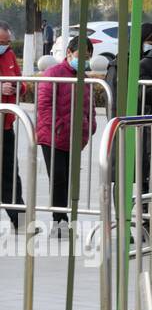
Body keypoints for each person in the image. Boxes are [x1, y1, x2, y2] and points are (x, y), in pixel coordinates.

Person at [36, 36, 96, 228]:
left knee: (67, 179)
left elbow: (90, 107)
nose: (85, 60)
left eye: (88, 57)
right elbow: (44, 105)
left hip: (75, 137)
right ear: (69, 52)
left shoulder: (84, 79)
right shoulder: (54, 73)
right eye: (81, 55)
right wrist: (60, 126)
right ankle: (59, 221)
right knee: (58, 177)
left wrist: (90, 125)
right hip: (52, 136)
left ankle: (62, 218)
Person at [0, 22, 27, 228]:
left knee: (10, 172)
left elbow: (21, 81)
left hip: (6, 125)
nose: (5, 46)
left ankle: (21, 218)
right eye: (1, 43)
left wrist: (17, 86)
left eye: (7, 42)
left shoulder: (9, 55)